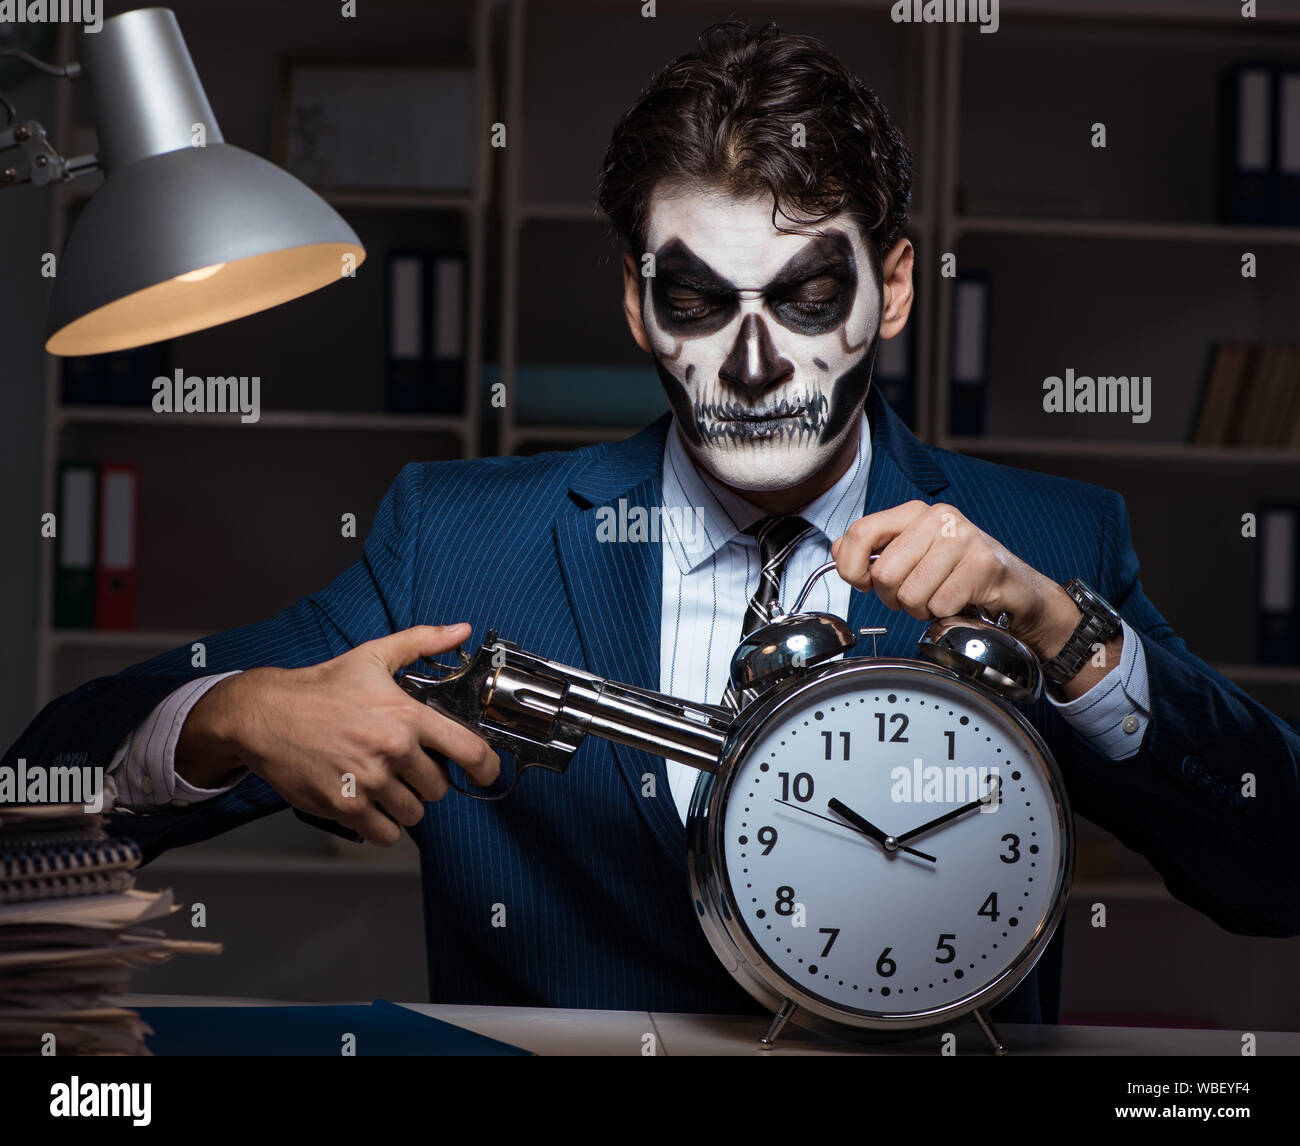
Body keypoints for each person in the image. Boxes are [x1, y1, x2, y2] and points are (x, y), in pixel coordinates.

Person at [6, 22, 1298, 1028]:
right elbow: (37, 789)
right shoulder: (455, 542)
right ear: (636, 306)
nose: (748, 362)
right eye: (695, 298)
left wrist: (1074, 643)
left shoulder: (1054, 547)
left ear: (894, 290)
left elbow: (1276, 864)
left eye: (805, 294)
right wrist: (238, 716)